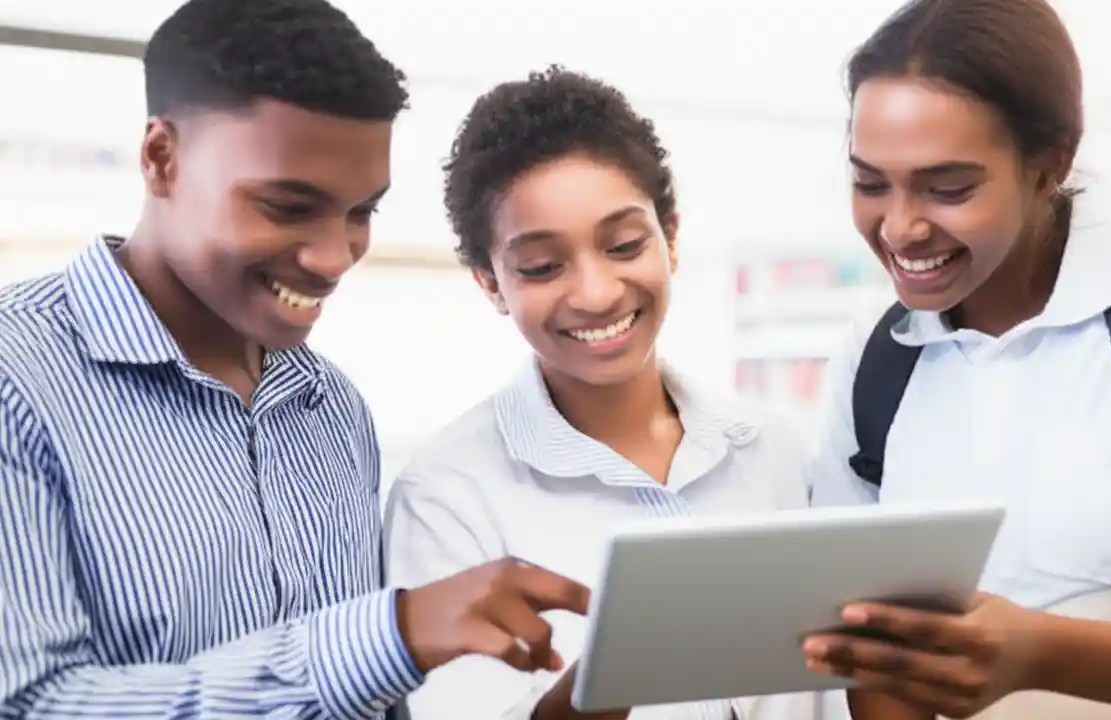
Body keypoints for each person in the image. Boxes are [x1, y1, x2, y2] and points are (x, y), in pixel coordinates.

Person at [0, 1, 590, 717]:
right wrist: (392, 634)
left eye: (361, 212)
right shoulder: (16, 381)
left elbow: (361, 697)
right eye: (286, 207)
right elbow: (30, 705)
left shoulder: (330, 409)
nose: (334, 257)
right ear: (162, 158)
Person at [800, 0, 1111, 718]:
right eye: (870, 183)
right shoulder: (874, 359)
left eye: (949, 188)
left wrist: (1039, 654)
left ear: (1048, 165)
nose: (899, 227)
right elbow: (867, 653)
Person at [383, 67, 839, 720]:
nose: (596, 292)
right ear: (490, 283)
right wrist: (614, 671)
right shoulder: (447, 495)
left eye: (624, 245)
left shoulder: (774, 452)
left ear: (671, 237)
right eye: (542, 267)